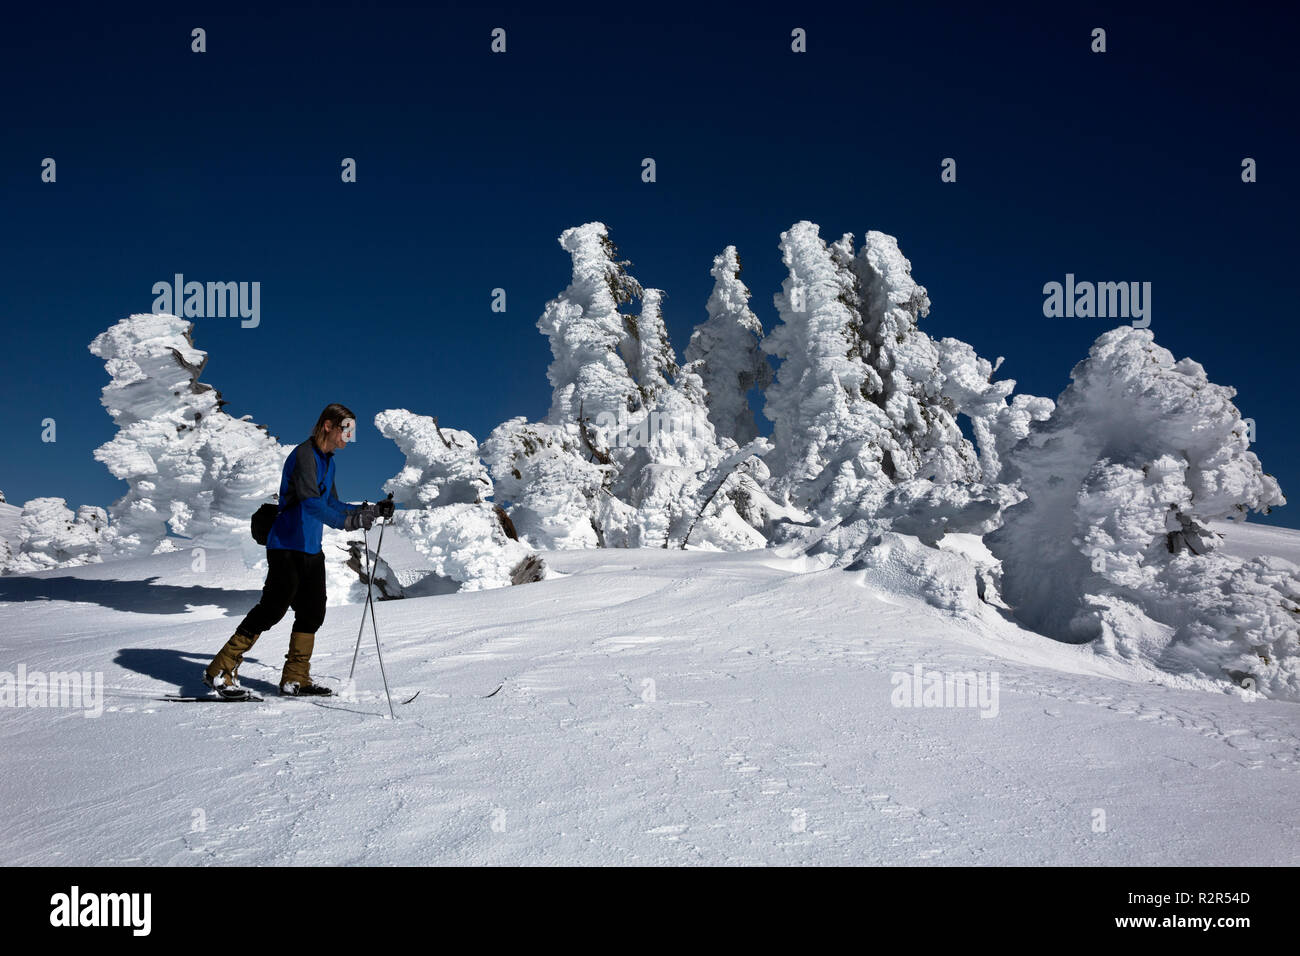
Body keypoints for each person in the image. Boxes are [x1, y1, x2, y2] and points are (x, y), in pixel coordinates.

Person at [204, 403, 394, 697]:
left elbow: (331, 503)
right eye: (346, 429)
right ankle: (220, 668)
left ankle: (295, 679)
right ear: (328, 425)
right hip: (287, 546)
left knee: (313, 612)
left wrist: (369, 510)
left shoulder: (328, 462)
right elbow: (310, 502)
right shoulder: (305, 455)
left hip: (310, 548)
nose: (349, 437)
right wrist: (348, 521)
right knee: (272, 609)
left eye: (352, 432)